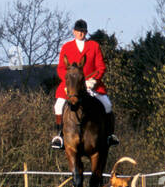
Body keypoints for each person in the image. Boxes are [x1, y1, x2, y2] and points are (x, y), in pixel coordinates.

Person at [50, 19, 118, 149]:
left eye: (83, 31)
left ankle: (110, 135)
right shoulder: (66, 47)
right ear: (74, 32)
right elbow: (61, 69)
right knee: (58, 107)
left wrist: (93, 81)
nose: (81, 34)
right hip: (71, 87)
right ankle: (59, 136)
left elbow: (101, 67)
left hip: (91, 85)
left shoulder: (94, 46)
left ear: (86, 32)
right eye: (78, 31)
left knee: (107, 105)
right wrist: (68, 83)